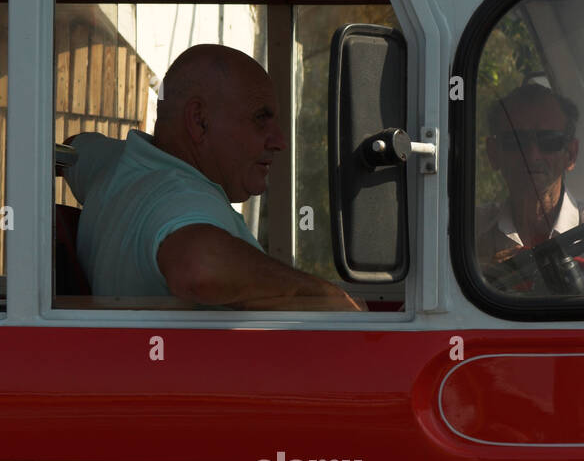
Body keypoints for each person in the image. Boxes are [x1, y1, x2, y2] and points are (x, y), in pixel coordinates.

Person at [60, 44, 362, 311]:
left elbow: (74, 146)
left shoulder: (117, 164)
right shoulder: (182, 197)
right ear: (199, 121)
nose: (279, 141)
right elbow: (201, 269)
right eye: (261, 119)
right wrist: (325, 299)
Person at [477, 80, 584, 285]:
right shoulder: (465, 234)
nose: (532, 155)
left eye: (549, 141)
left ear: (571, 154)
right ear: (494, 153)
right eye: (516, 141)